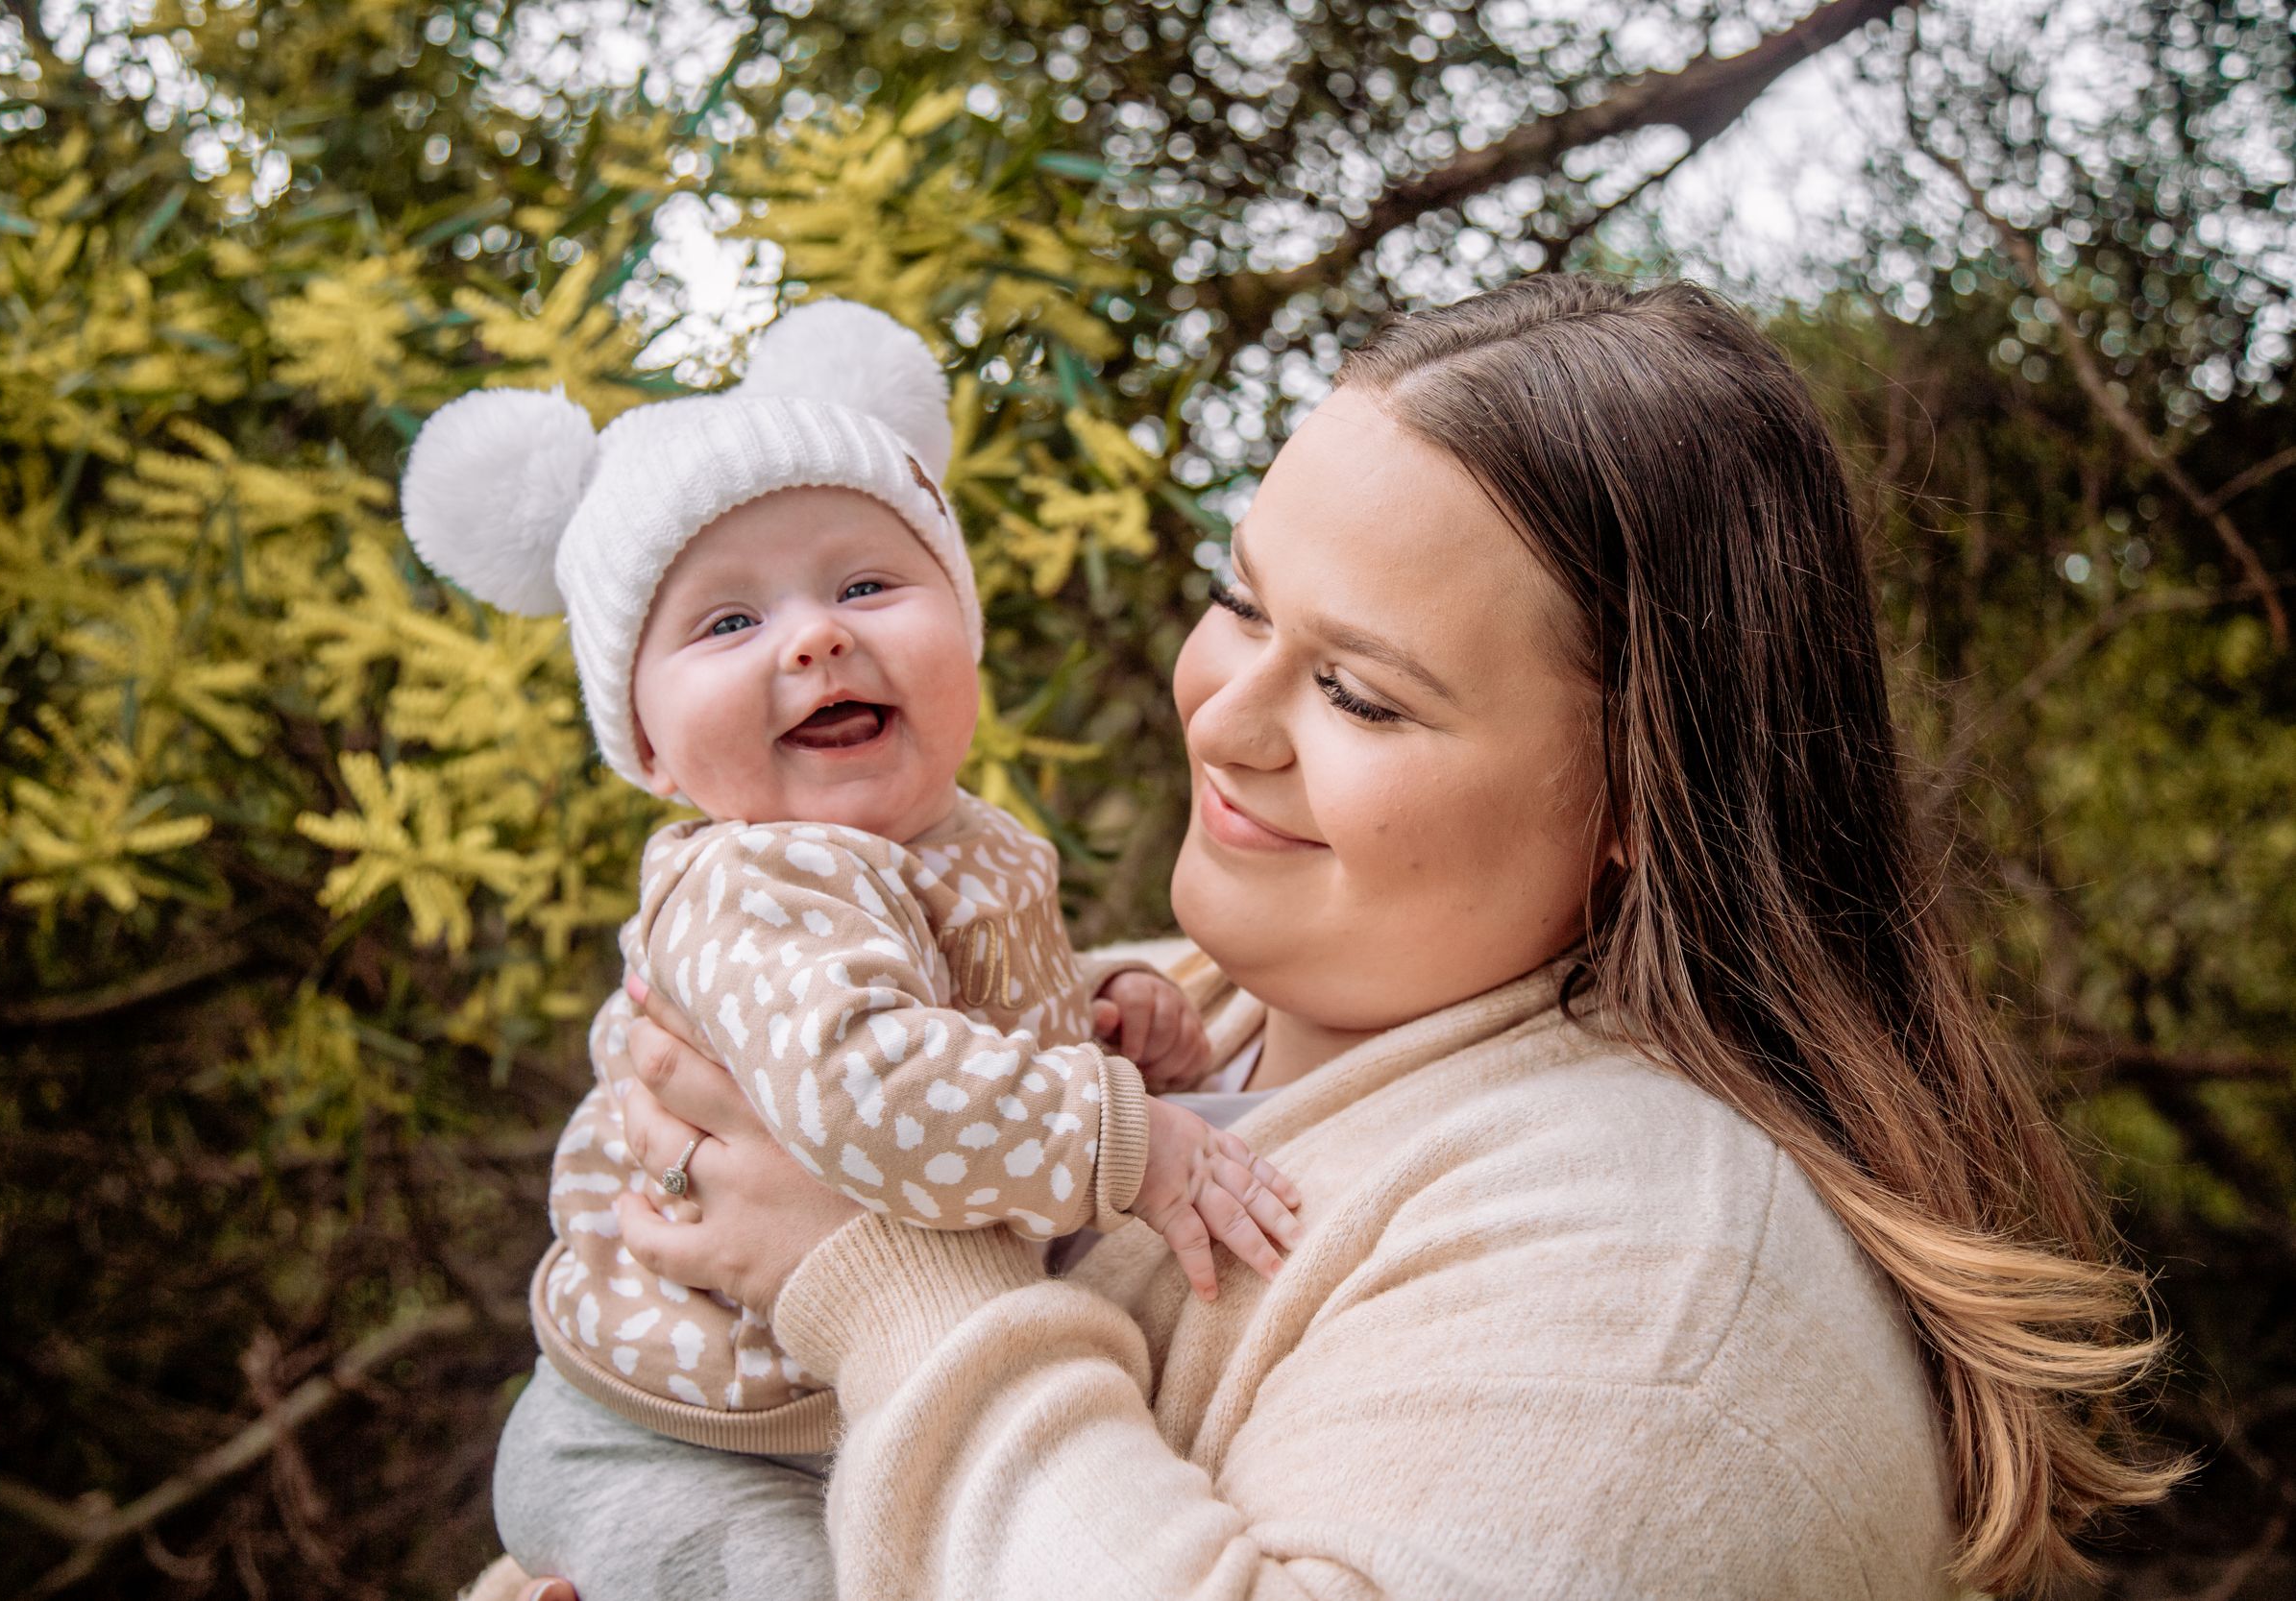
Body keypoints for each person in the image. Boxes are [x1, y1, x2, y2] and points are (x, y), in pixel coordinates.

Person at [469, 276, 2181, 1601]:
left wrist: (889, 1266)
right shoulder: (1169, 1005)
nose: (1226, 718)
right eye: (1239, 598)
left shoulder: (1656, 1287)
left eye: (1361, 690)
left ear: (1638, 800)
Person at [399, 299, 1302, 1601]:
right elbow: (867, 1086)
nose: (815, 636)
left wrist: (1102, 1009)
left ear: (965, 632)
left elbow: (960, 1020)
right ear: (647, 747)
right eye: (725, 623)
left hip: (831, 1419)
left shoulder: (959, 842)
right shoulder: (755, 882)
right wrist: (1127, 1139)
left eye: (867, 583)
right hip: (672, 1443)